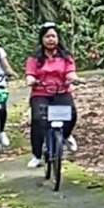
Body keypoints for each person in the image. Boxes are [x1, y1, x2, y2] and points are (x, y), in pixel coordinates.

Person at [24, 22, 80, 169]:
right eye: (47, 36)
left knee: (72, 114)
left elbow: (70, 72)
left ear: (58, 38)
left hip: (62, 91)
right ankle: (37, 155)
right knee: (37, 120)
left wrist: (74, 78)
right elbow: (30, 74)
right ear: (42, 39)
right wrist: (31, 80)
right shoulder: (34, 58)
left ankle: (66, 136)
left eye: (53, 36)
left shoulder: (66, 56)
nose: (51, 39)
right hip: (40, 93)